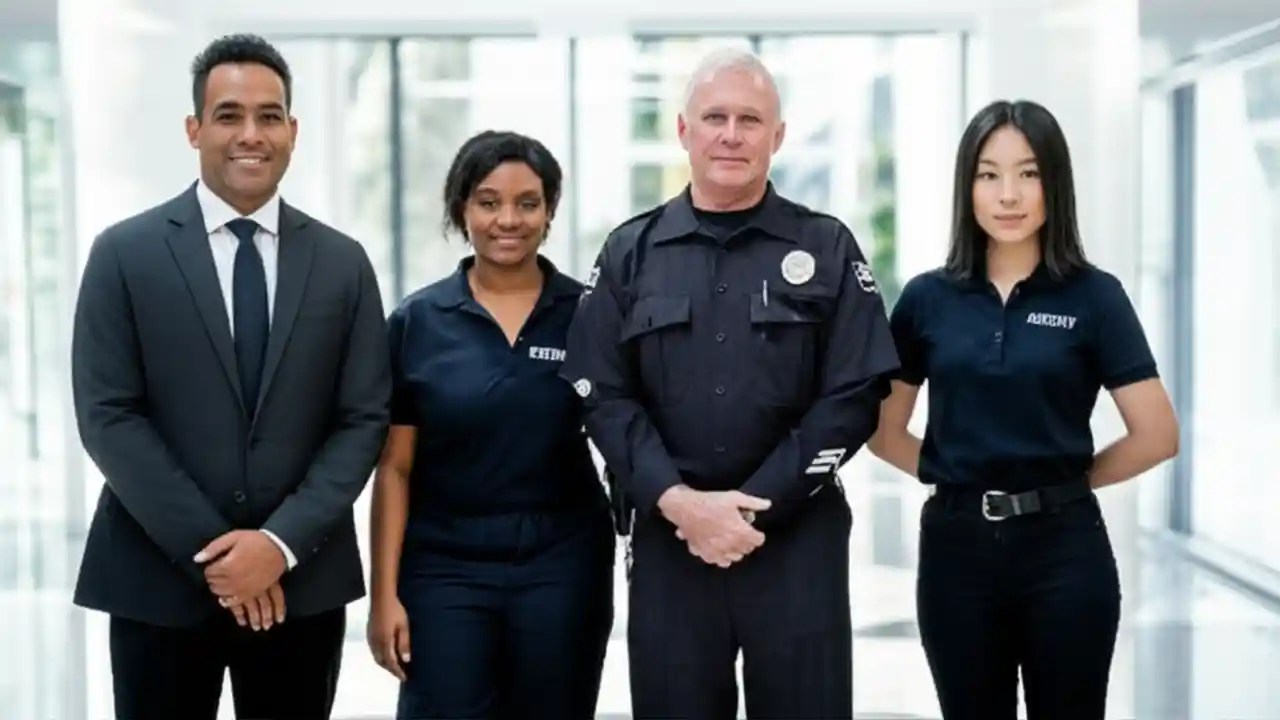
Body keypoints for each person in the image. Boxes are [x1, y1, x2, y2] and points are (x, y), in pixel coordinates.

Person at [562, 48, 899, 720]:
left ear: (778, 136)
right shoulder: (630, 252)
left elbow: (854, 395)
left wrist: (751, 508)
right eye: (715, 117)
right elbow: (600, 393)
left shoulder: (827, 246)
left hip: (795, 540)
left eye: (751, 120)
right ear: (683, 130)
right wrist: (679, 502)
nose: (731, 134)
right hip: (671, 544)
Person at [70, 34, 390, 720]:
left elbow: (362, 419)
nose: (251, 134)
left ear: (293, 131)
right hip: (156, 583)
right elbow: (108, 416)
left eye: (269, 116)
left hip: (299, 583)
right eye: (229, 115)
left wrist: (277, 546)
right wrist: (219, 558)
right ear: (194, 129)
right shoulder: (123, 254)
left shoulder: (343, 264)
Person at [867, 99, 1179, 720]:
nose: (1008, 194)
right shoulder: (927, 299)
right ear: (968, 187)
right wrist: (951, 473)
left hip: (1065, 552)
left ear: (1054, 183)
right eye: (989, 175)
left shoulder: (1096, 297)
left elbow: (1156, 434)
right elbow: (882, 430)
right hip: (956, 552)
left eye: (1028, 173)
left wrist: (1064, 484)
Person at [367, 130, 614, 720]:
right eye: (488, 202)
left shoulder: (587, 315)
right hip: (444, 568)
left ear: (549, 212)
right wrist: (383, 597)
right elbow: (394, 468)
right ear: (462, 209)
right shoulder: (417, 321)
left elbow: (625, 431)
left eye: (528, 203)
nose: (508, 219)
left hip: (562, 564)